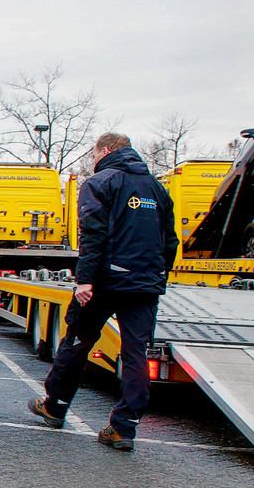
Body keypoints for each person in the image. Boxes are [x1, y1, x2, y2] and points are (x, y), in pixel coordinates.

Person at [28, 132, 177, 450]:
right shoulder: (158, 190)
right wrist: (159, 276)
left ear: (106, 150)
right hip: (145, 284)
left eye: (94, 153)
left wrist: (85, 280)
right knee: (136, 354)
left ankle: (55, 405)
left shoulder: (100, 183)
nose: (93, 159)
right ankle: (124, 428)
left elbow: (92, 234)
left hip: (105, 282)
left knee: (78, 341)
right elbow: (170, 240)